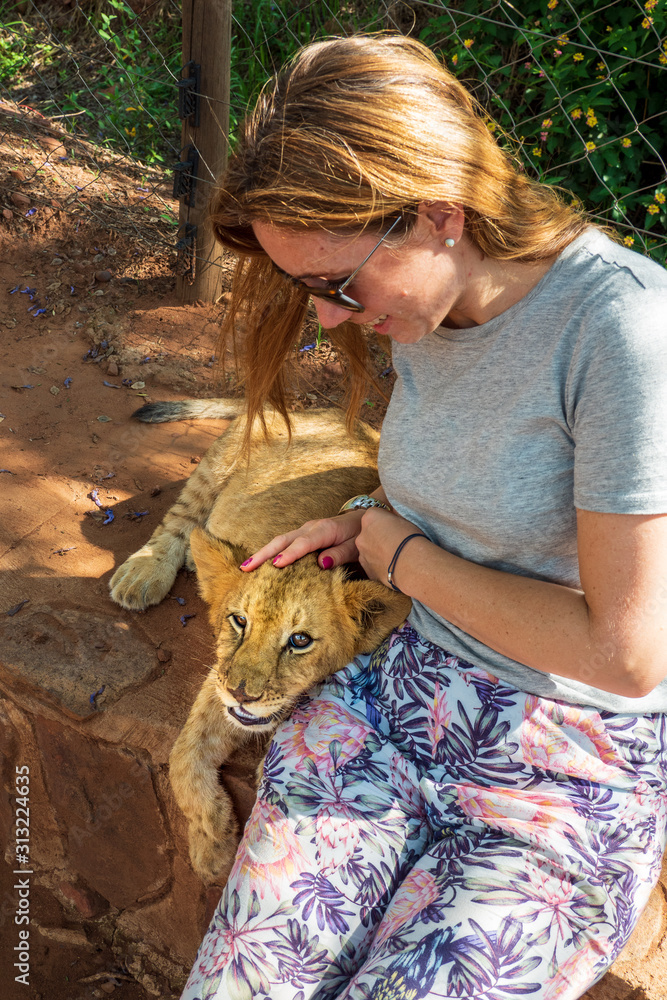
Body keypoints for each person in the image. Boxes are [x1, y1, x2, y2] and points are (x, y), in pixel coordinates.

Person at [181, 34, 667, 1000]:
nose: (324, 319)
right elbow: (457, 492)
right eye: (307, 289)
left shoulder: (624, 336)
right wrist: (365, 519)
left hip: (561, 767)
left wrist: (395, 556)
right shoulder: (428, 308)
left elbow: (628, 652)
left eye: (336, 284)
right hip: (393, 701)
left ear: (440, 215)